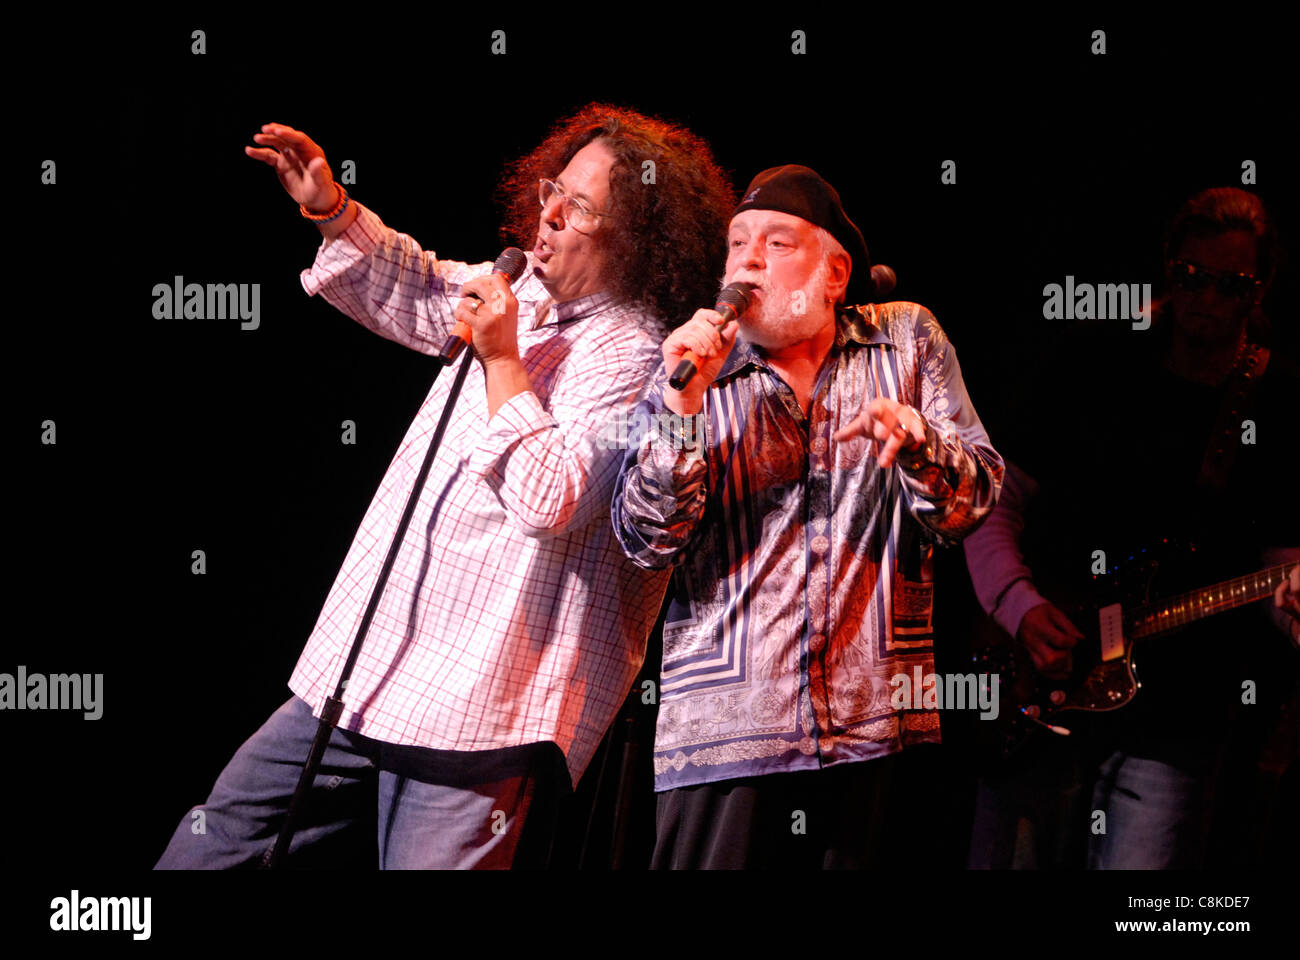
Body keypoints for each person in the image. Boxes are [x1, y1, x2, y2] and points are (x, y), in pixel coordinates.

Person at [155, 104, 735, 869]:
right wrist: (331, 208)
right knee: (213, 847)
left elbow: (548, 497)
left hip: (482, 711)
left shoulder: (632, 355)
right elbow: (425, 287)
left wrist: (502, 360)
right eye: (552, 189)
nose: (549, 214)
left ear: (634, 239)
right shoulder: (523, 293)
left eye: (580, 207)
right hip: (371, 669)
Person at [612, 165, 1004, 868]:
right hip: (723, 744)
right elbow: (645, 540)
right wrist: (681, 414)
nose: (750, 259)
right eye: (737, 245)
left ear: (835, 273)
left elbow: (971, 508)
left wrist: (918, 447)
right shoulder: (691, 369)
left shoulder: (906, 340)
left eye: (778, 242)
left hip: (878, 734)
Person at [963, 187, 1299, 869]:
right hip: (1038, 689)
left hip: (1178, 720)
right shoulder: (1093, 361)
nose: (1205, 299)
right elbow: (989, 498)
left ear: (1258, 292)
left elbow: (1280, 556)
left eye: (1230, 286)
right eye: (1190, 277)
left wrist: (1291, 604)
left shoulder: (1278, 399)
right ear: (1169, 267)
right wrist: (1021, 607)